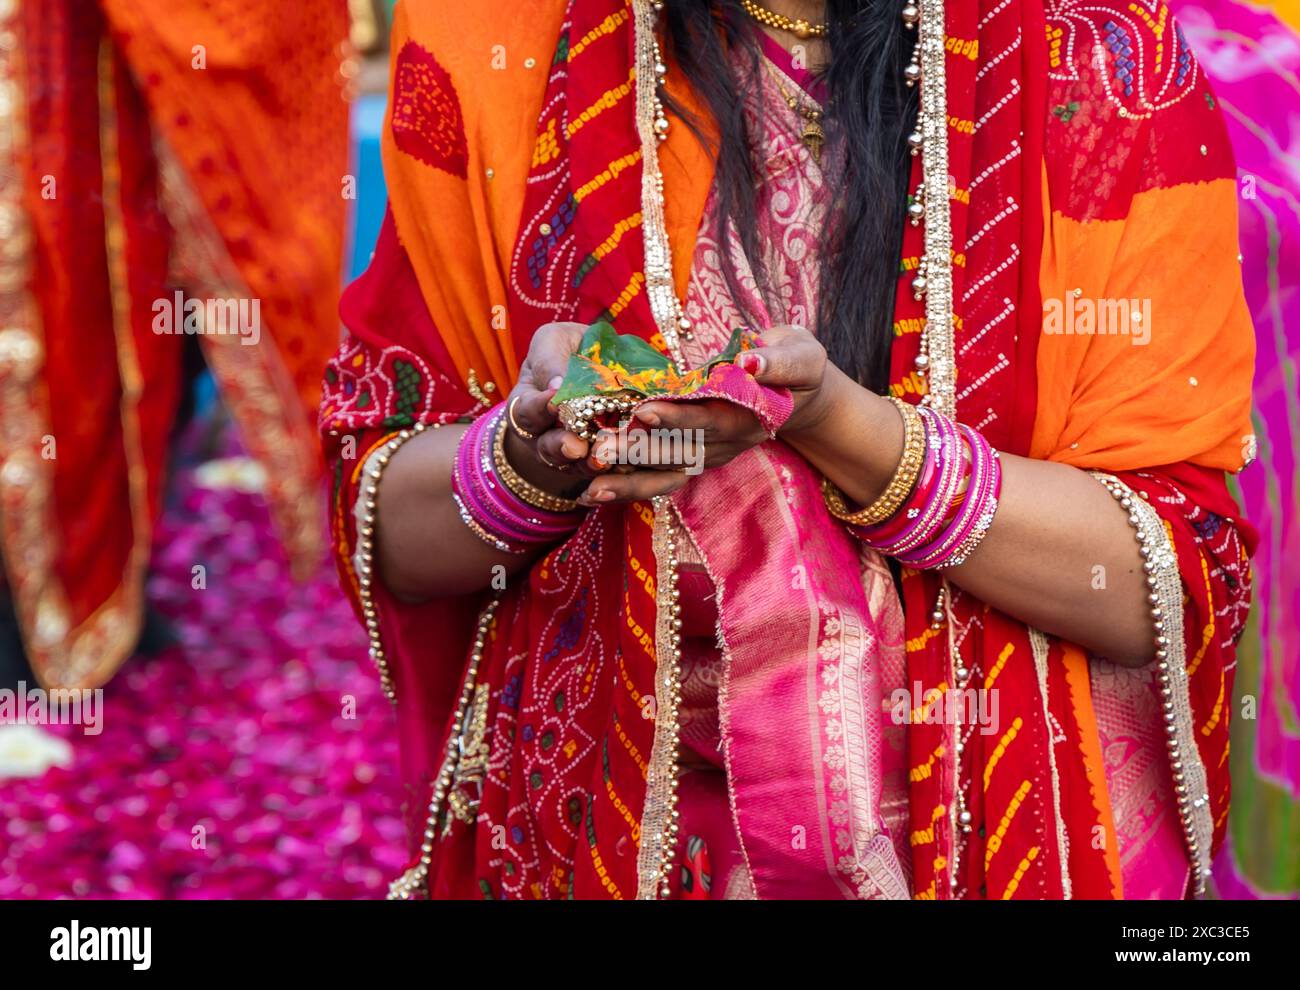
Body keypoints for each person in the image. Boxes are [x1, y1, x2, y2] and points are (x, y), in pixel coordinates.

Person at [321, 0, 1256, 899]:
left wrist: (843, 429)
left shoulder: (1094, 55)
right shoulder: (501, 42)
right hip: (608, 837)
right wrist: (538, 457)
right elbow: (387, 535)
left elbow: (1169, 580)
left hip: (992, 832)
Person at [0, 0, 350, 690]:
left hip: (123, 79)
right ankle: (40, 609)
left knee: (144, 311)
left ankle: (105, 584)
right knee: (55, 301)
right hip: (46, 79)